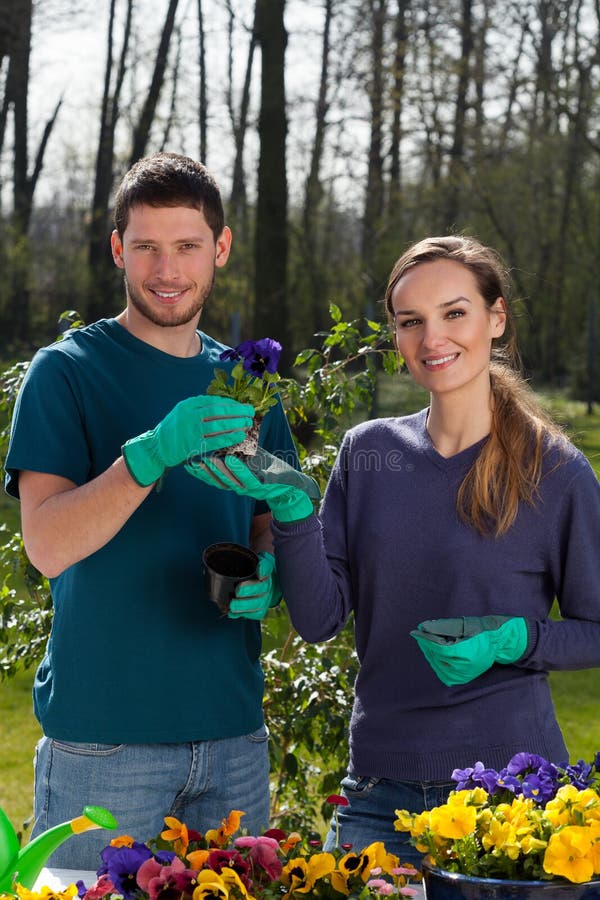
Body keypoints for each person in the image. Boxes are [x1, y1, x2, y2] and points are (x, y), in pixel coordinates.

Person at [187, 234, 600, 864]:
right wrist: (295, 505)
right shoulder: (368, 453)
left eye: (454, 313)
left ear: (496, 318)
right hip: (379, 792)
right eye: (411, 322)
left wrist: (517, 639)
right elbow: (320, 619)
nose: (432, 339)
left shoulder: (557, 472)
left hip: (508, 804)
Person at [4, 152, 299, 869]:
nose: (167, 270)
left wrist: (269, 566)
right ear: (118, 250)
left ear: (220, 249)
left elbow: (274, 514)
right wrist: (146, 458)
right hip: (105, 742)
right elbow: (45, 545)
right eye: (147, 248)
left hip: (231, 735)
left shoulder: (248, 385)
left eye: (188, 246)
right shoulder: (66, 372)